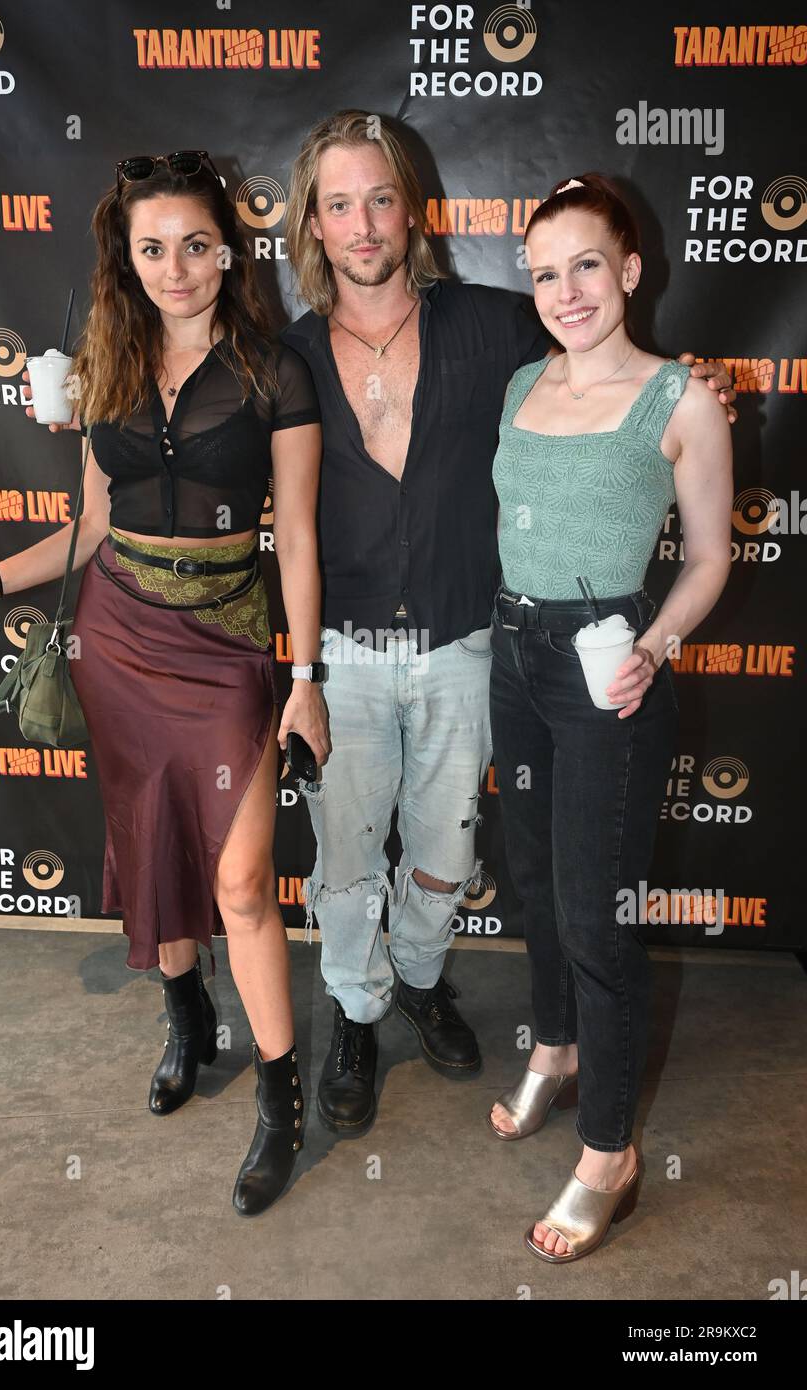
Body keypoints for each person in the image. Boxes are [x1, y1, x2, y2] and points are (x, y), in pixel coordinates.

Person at [279, 110, 736, 1137]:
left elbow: (607, 365)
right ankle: (357, 1012)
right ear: (313, 220)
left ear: (413, 211)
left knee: (447, 846)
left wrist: (697, 388)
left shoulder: (498, 326)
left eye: (382, 198)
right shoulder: (286, 356)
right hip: (345, 652)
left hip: (469, 647)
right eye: (340, 203)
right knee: (347, 855)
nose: (364, 224)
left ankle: (427, 979)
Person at [0, 149, 328, 1217]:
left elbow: (294, 537)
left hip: (229, 639)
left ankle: (281, 1098)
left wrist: (306, 678)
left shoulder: (273, 371)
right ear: (127, 254)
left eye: (195, 245)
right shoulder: (104, 366)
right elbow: (94, 526)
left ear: (227, 249)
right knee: (147, 841)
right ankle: (185, 1017)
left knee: (244, 880)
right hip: (117, 637)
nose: (176, 268)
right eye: (152, 248)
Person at [486, 173, 733, 1262]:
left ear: (630, 270)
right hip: (513, 650)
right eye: (544, 272)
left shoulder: (682, 400)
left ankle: (608, 1154)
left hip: (607, 667)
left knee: (597, 916)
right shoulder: (519, 385)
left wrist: (653, 647)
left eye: (587, 264)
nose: (566, 290)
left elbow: (713, 555)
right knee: (534, 881)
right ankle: (557, 1046)